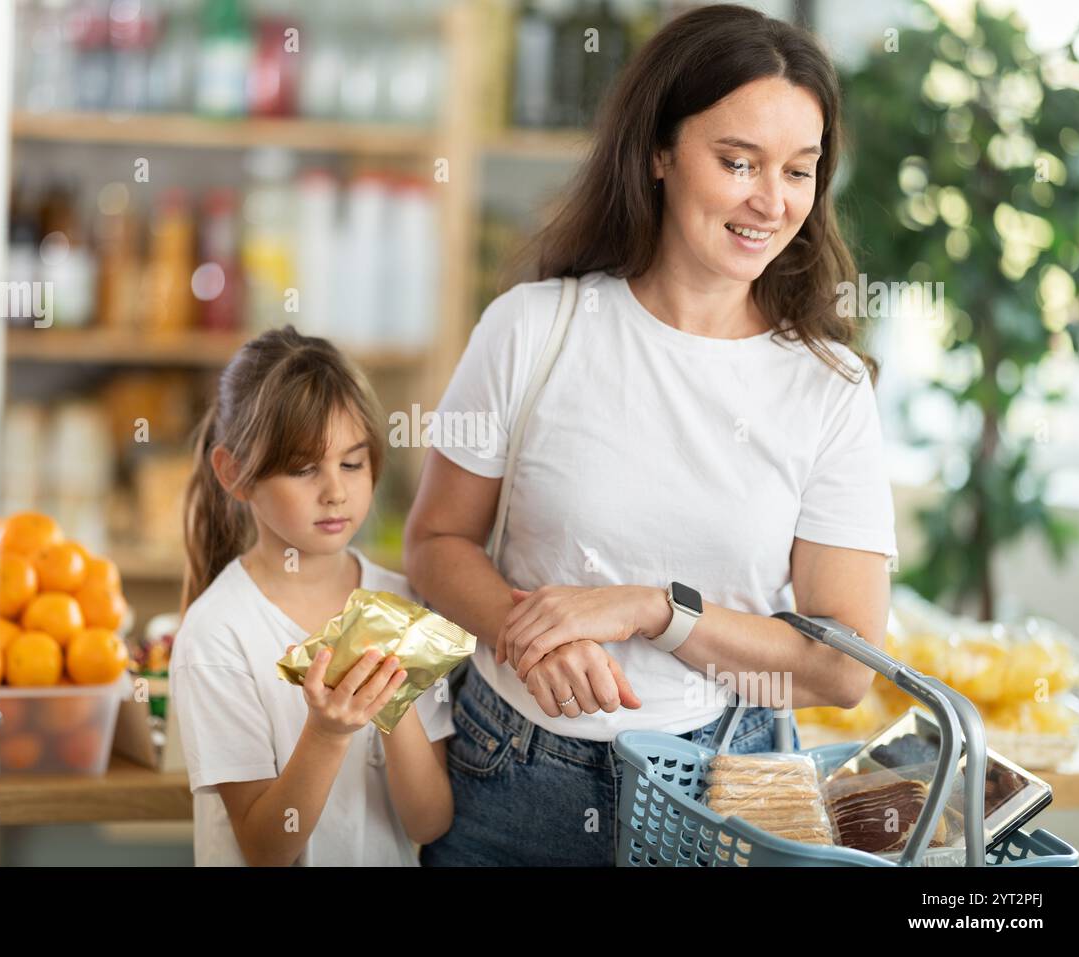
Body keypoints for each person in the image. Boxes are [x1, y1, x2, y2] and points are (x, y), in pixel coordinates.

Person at [404, 4, 897, 866]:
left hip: (728, 790)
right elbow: (437, 543)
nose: (770, 202)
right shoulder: (533, 327)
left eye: (798, 170)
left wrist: (654, 610)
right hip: (512, 774)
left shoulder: (830, 388)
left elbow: (841, 669)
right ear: (660, 153)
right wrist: (526, 629)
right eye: (737, 162)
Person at [170, 326, 453, 866]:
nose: (335, 491)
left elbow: (429, 821)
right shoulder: (218, 633)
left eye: (352, 463)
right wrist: (326, 734)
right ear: (235, 475)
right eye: (303, 469)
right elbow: (264, 848)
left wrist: (395, 701)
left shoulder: (402, 605)